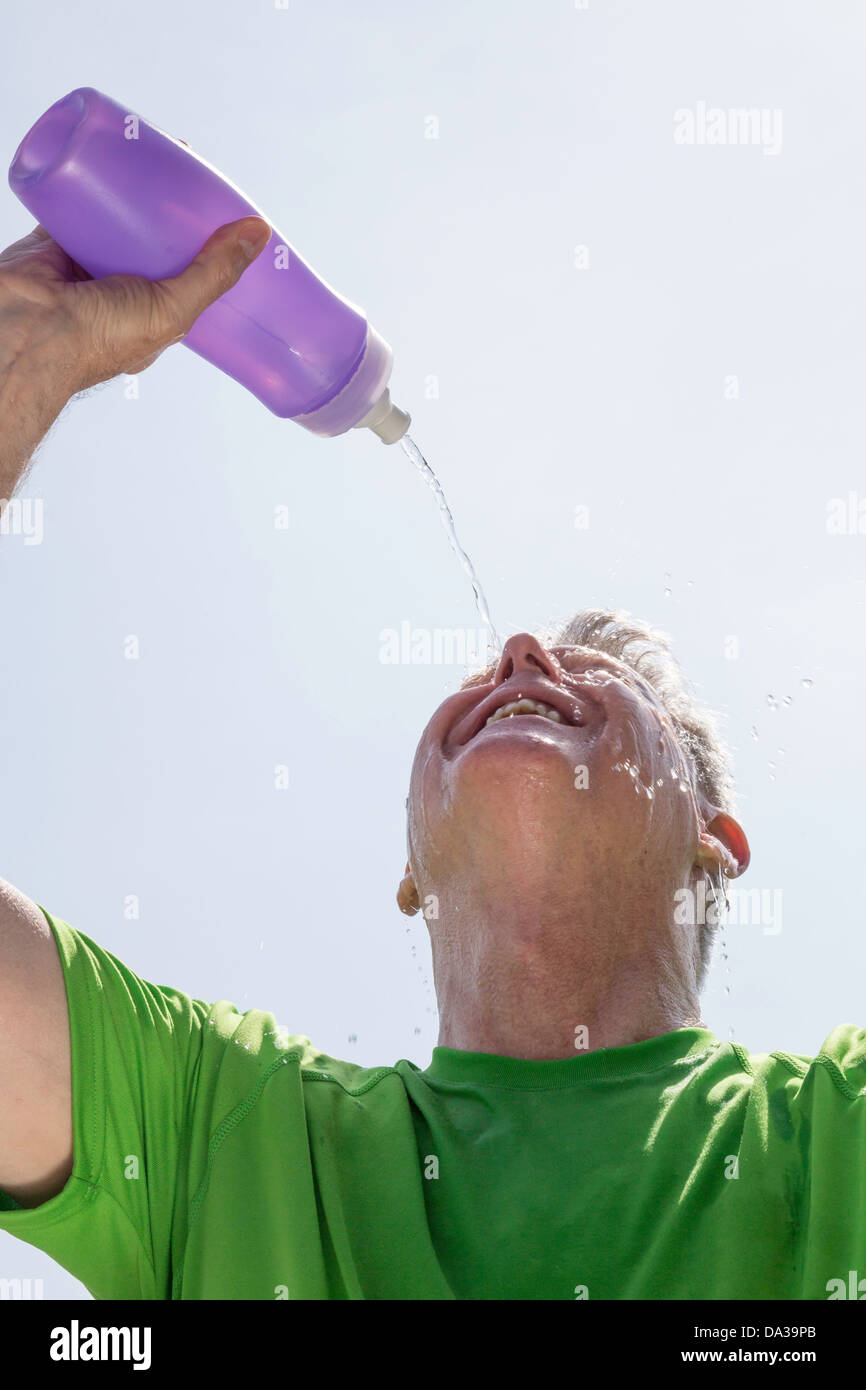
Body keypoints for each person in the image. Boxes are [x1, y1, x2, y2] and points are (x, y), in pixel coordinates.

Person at [0, 221, 862, 1302]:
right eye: (480, 676)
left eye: (598, 673)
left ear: (714, 841)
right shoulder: (228, 1134)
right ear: (409, 867)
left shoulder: (837, 1141)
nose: (518, 656)